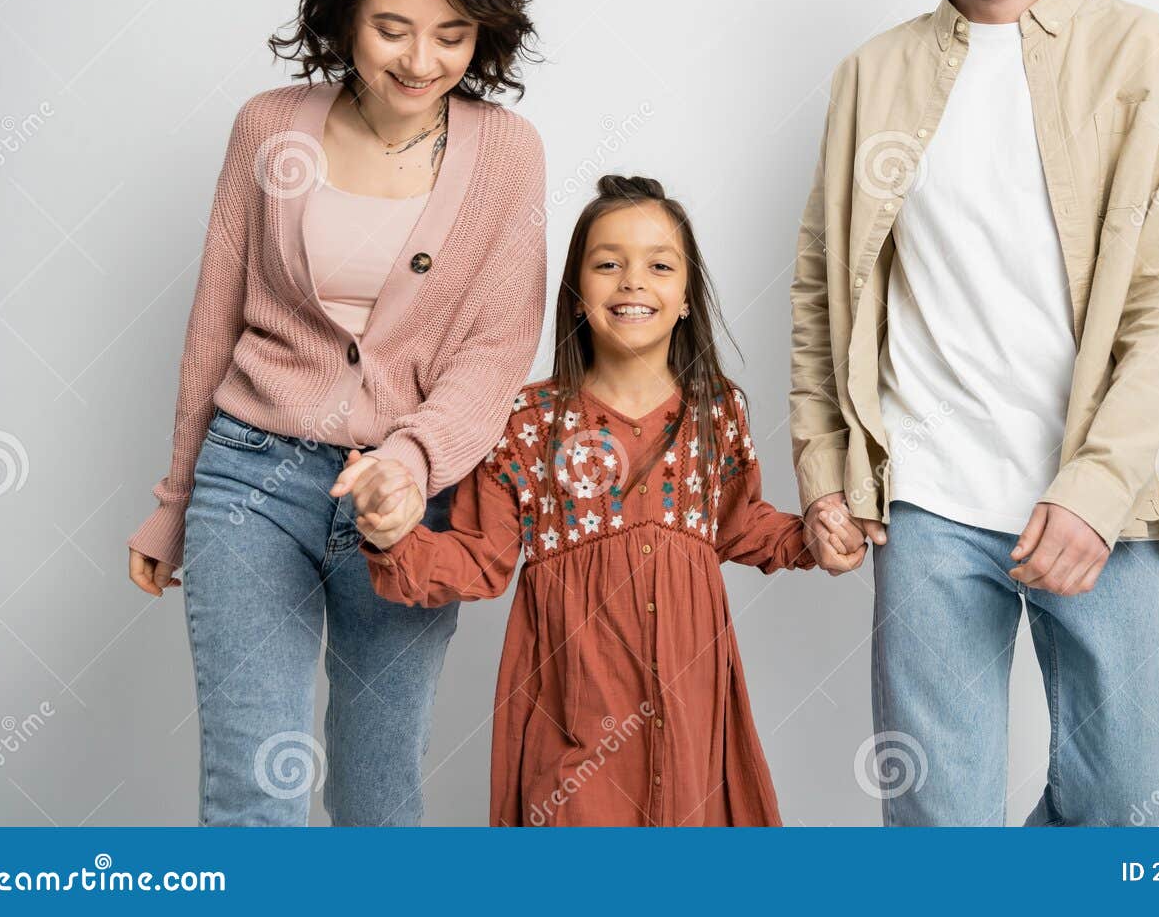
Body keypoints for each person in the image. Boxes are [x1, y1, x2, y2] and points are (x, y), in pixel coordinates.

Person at [790, 0, 1159, 825]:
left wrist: (1099, 482)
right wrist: (822, 466)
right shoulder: (871, 75)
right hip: (928, 503)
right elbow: (820, 287)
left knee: (1126, 789)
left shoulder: (1141, 53)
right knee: (940, 823)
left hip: (1093, 498)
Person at [126, 0, 547, 825]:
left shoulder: (508, 153)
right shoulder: (268, 128)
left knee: (377, 786)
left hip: (408, 500)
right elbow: (213, 323)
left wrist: (408, 464)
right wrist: (174, 502)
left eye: (451, 34)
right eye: (392, 30)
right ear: (344, 19)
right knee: (253, 783)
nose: (421, 61)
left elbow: (495, 349)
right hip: (249, 480)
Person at [360, 174, 863, 825]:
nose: (632, 281)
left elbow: (740, 525)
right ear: (575, 294)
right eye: (607, 264)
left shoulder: (718, 413)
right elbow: (478, 560)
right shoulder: (525, 423)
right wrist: (389, 532)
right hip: (572, 719)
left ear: (685, 297)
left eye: (658, 265)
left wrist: (813, 538)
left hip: (692, 724)